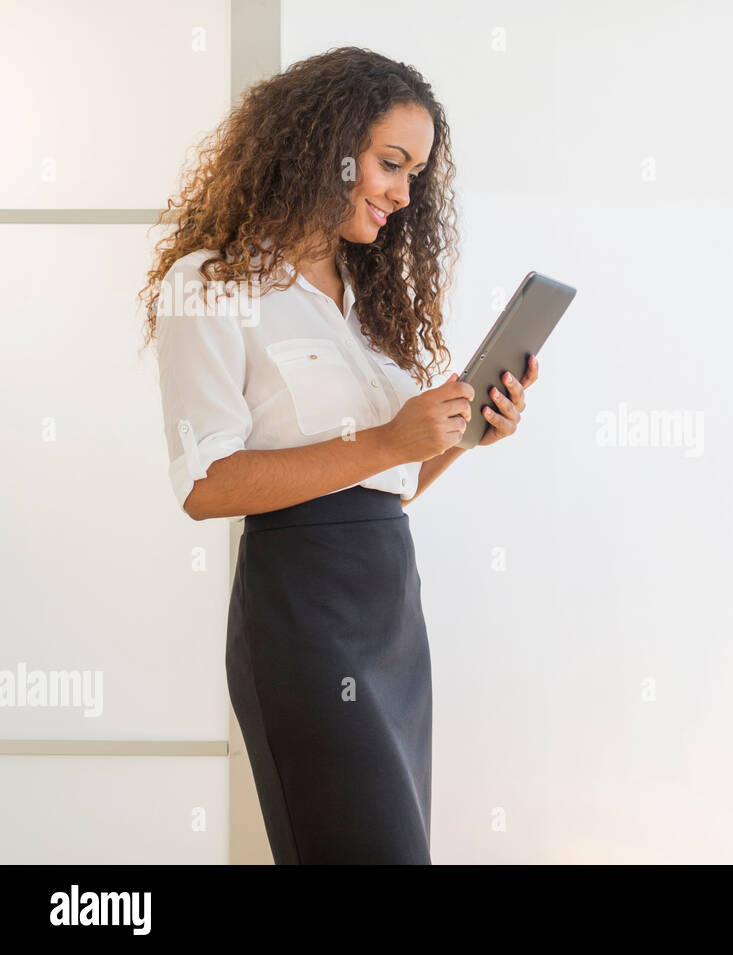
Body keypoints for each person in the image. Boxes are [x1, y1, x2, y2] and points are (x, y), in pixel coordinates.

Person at [136, 46, 538, 864]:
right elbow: (208, 484)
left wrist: (463, 435)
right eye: (392, 163)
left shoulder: (363, 301)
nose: (403, 192)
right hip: (304, 619)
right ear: (327, 146)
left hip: (391, 611)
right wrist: (392, 436)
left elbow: (384, 484)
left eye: (417, 175)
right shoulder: (208, 283)